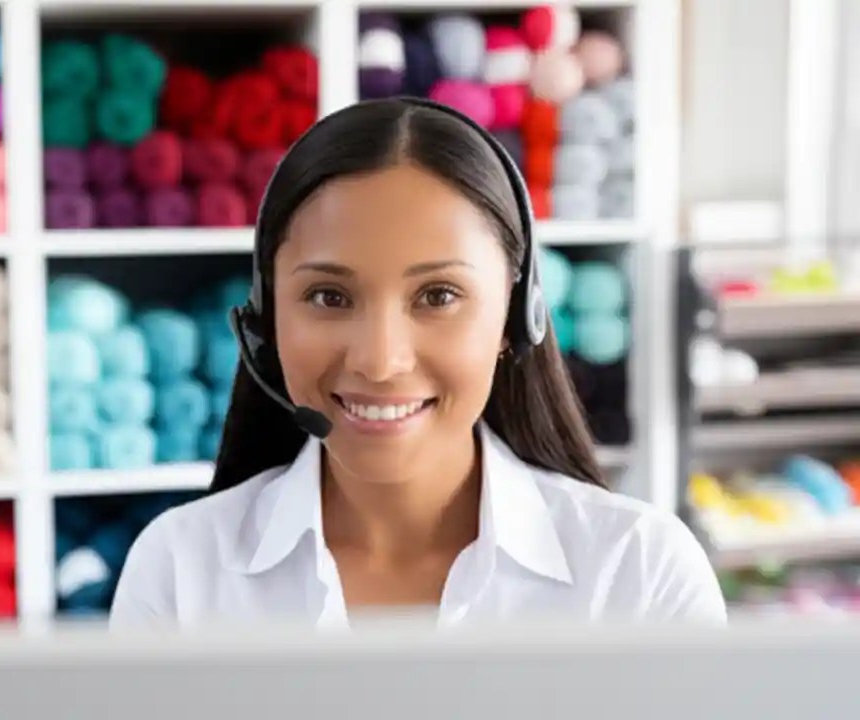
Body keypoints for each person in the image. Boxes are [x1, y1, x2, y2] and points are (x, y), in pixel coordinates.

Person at [109, 98, 726, 630]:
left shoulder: (639, 574)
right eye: (329, 297)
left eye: (438, 297)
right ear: (266, 322)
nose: (380, 361)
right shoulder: (180, 571)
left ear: (516, 318)